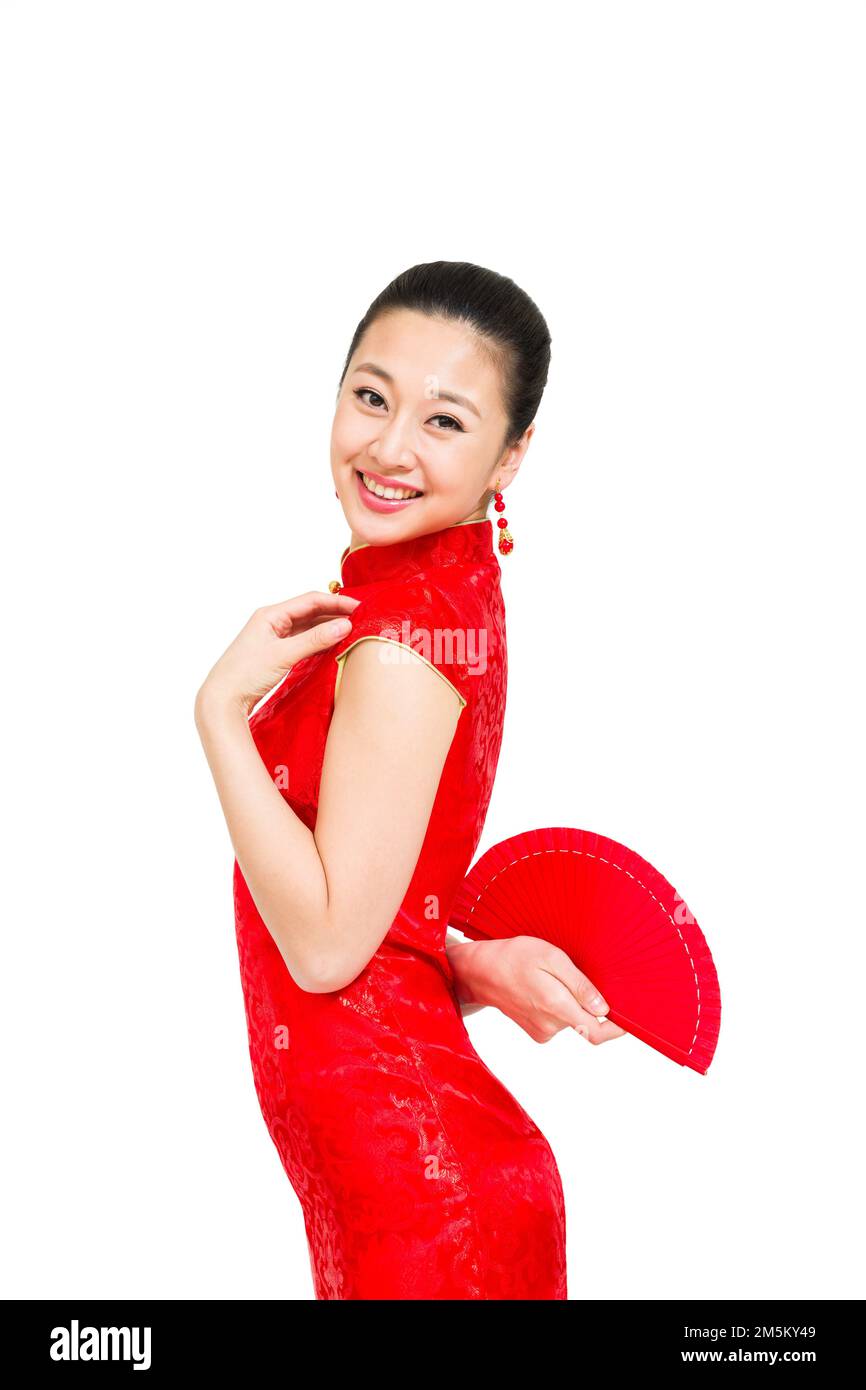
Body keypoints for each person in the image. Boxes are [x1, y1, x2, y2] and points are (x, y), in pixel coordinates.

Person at [194, 260, 625, 1301]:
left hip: (422, 1206)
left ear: (509, 456)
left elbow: (328, 941)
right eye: (370, 395)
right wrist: (458, 961)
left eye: (443, 421)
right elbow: (375, 890)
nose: (386, 448)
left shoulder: (396, 643)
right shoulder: (432, 591)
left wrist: (217, 718)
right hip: (415, 1179)